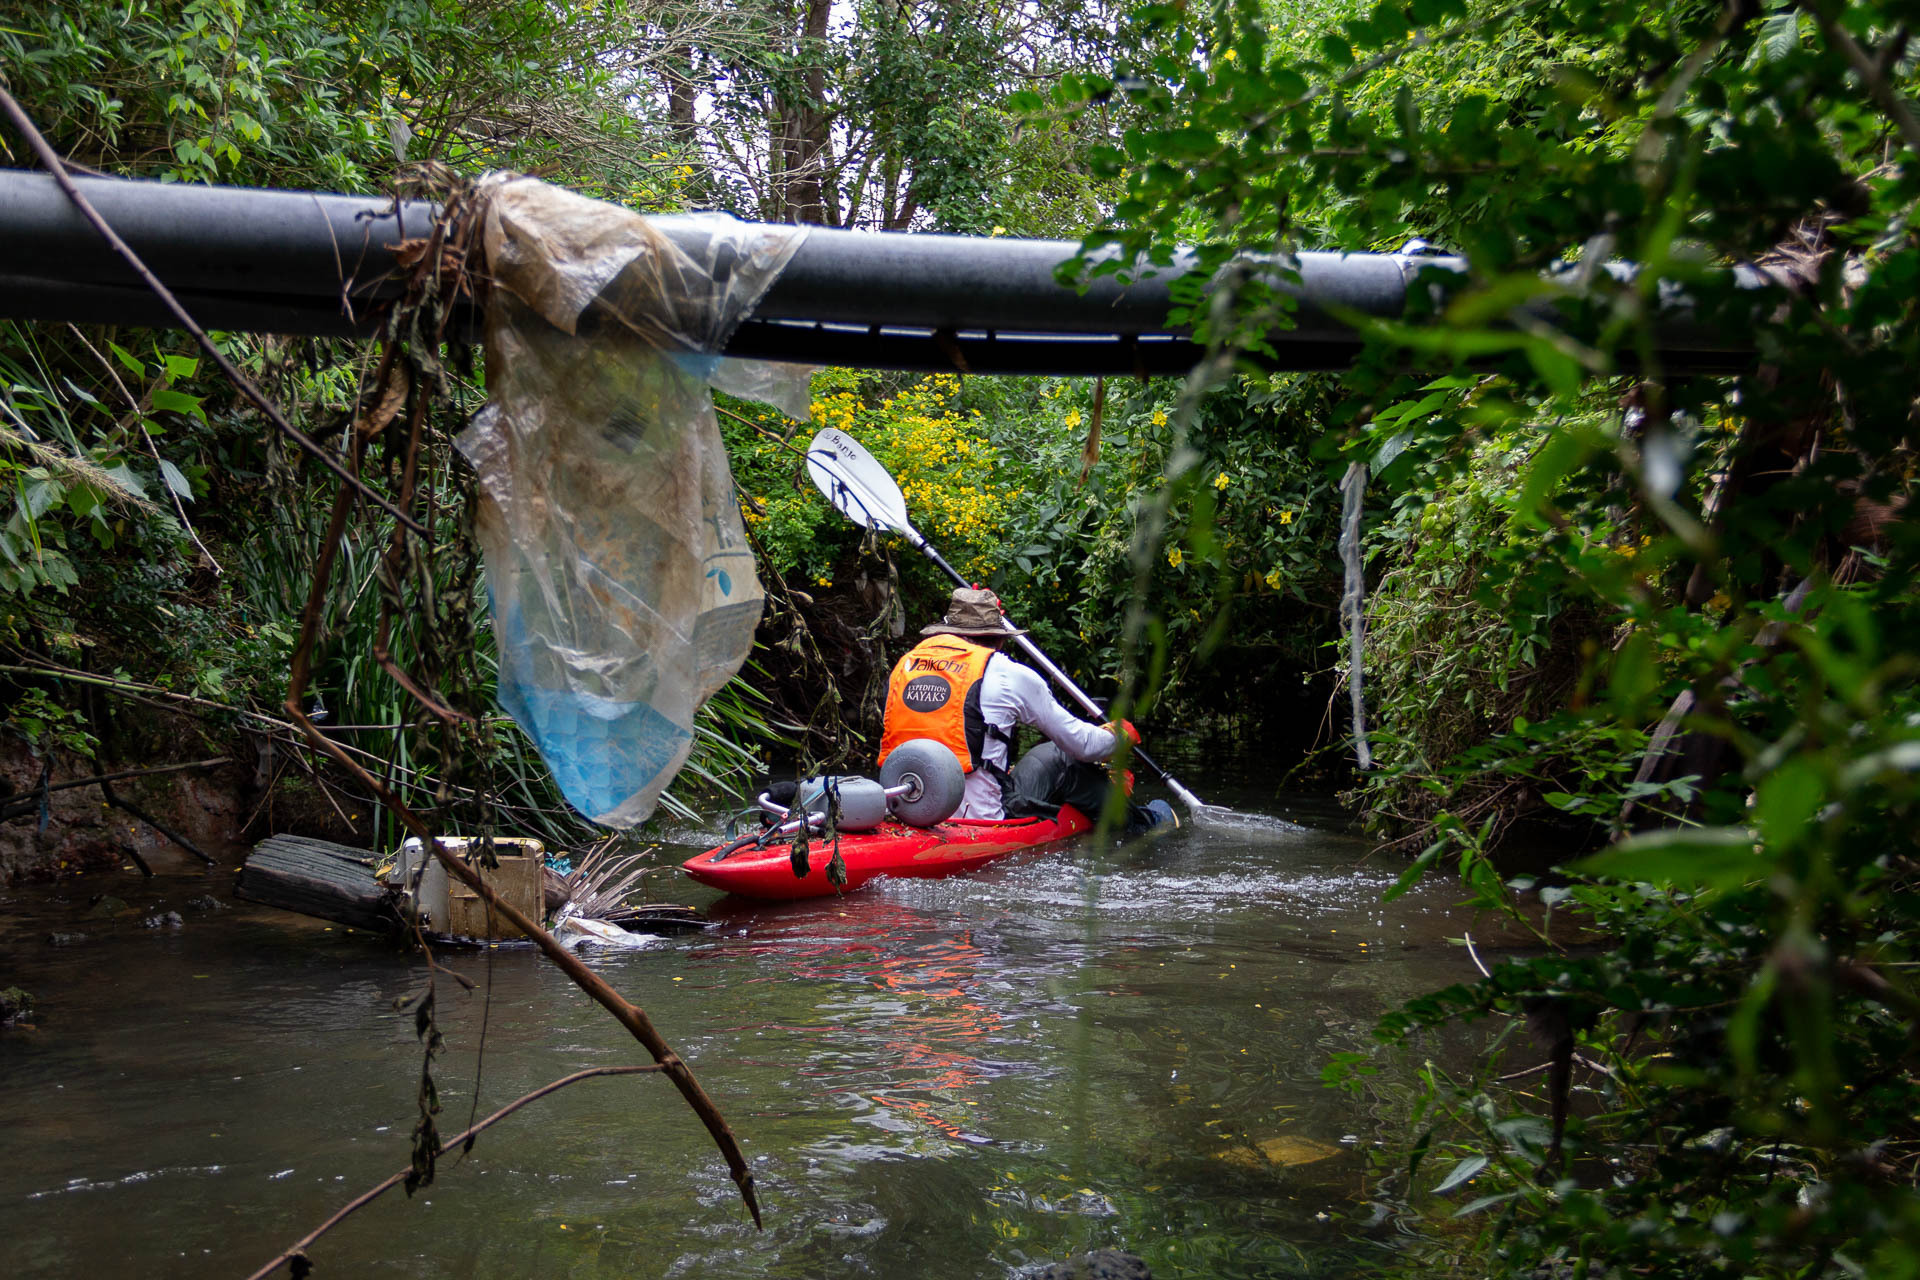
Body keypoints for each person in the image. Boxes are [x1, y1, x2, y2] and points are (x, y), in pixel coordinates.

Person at [877, 587, 1177, 831]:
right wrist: (1119, 736)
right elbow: (1084, 745)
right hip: (981, 819)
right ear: (998, 638)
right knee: (1060, 756)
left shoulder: (905, 667)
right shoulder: (1007, 673)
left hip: (908, 810)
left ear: (948, 630)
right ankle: (1145, 822)